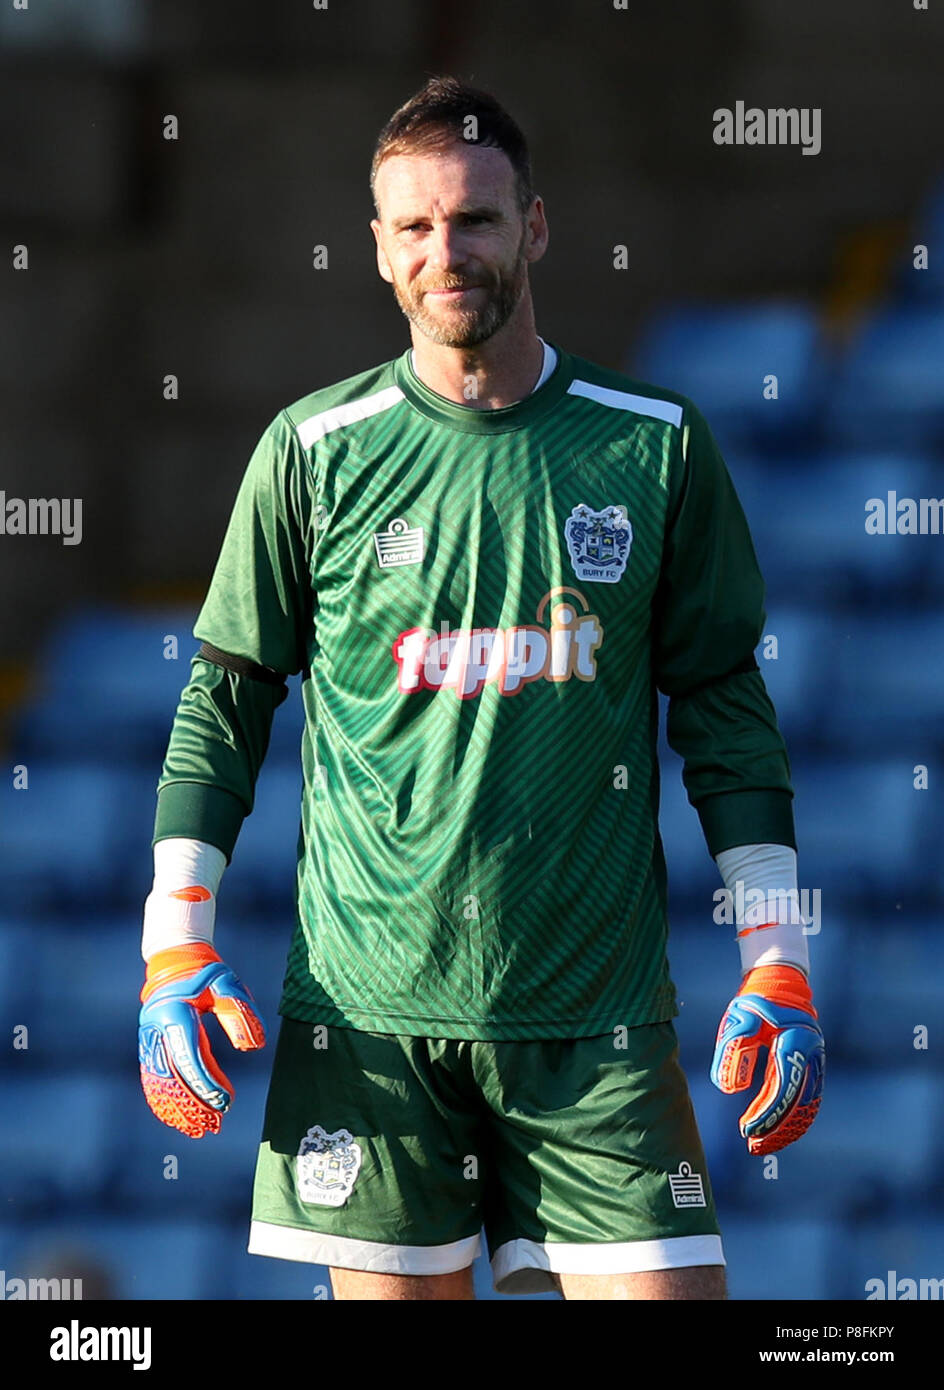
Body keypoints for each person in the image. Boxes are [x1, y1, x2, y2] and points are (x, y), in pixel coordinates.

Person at [137, 75, 824, 1302]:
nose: (444, 253)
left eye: (474, 220)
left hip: (596, 1030)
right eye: (414, 227)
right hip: (372, 1034)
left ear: (535, 227)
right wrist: (171, 945)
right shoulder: (310, 450)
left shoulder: (649, 441)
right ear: (378, 248)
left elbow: (724, 706)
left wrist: (775, 957)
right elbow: (225, 698)